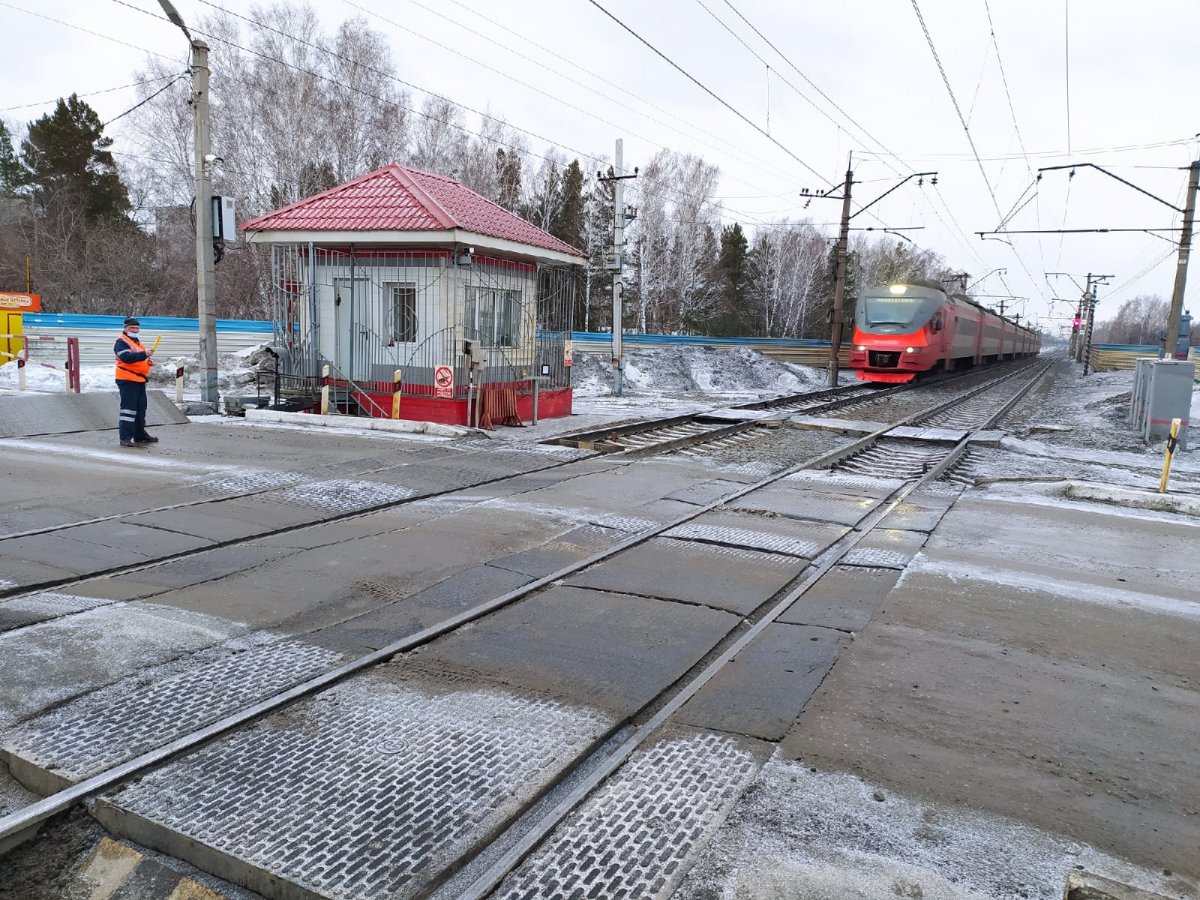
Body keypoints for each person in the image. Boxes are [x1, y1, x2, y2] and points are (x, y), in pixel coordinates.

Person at [114, 316, 159, 448]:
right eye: (132, 327)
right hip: (127, 379)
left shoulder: (136, 342)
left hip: (138, 379)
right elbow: (126, 357)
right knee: (128, 410)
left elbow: (137, 358)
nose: (135, 330)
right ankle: (125, 438)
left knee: (140, 409)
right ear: (126, 328)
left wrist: (147, 361)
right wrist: (145, 355)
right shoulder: (121, 341)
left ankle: (140, 435)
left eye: (137, 328)